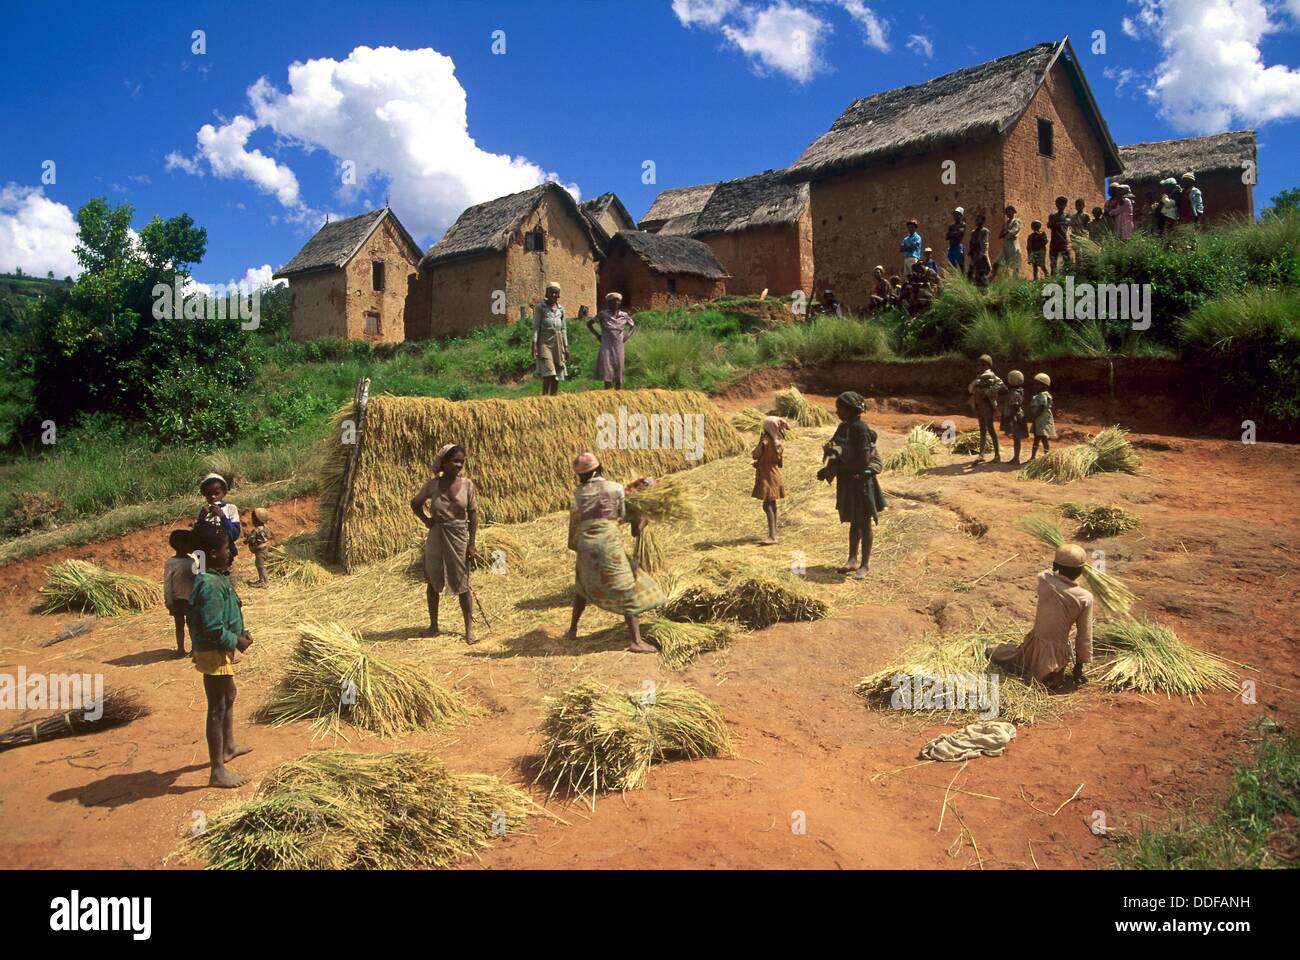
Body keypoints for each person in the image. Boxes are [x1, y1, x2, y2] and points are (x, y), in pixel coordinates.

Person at [564, 452, 665, 652]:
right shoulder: (615, 488)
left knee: (582, 585)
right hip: (607, 544)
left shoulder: (578, 493)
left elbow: (580, 519)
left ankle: (573, 630)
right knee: (626, 585)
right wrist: (644, 515)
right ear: (599, 469)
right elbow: (622, 516)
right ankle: (636, 641)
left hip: (585, 545)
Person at [187, 522, 254, 788]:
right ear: (214, 552)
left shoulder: (215, 577)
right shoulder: (210, 585)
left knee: (230, 694)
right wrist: (236, 640)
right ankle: (217, 770)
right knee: (216, 707)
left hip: (220, 649)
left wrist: (241, 632)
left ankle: (228, 746)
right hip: (214, 651)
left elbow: (228, 614)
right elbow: (213, 628)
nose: (230, 552)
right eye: (227, 548)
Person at [989, 544, 1093, 690]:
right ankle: (1053, 675)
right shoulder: (1085, 597)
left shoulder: (1044, 580)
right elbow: (1084, 636)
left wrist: (1057, 564)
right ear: (1082, 570)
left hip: (1032, 646)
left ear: (1055, 565)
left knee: (997, 652)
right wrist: (1078, 667)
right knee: (1049, 679)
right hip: (1058, 655)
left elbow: (1049, 572)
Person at [411, 444, 479, 644]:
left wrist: (472, 543)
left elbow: (473, 515)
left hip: (458, 536)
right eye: (455, 461)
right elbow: (415, 503)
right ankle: (433, 626)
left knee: (463, 583)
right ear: (444, 462)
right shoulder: (432, 485)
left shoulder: (467, 485)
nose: (458, 465)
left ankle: (469, 629)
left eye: (461, 462)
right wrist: (426, 521)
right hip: (436, 537)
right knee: (433, 581)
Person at [817, 391, 885, 580]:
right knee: (854, 521)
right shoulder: (842, 428)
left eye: (839, 409)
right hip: (847, 479)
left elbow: (863, 461)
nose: (837, 412)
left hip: (859, 481)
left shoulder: (860, 429)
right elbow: (834, 448)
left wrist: (842, 464)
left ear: (849, 410)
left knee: (864, 522)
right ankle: (852, 559)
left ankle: (865, 564)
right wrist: (828, 468)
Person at [588, 292, 635, 390]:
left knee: (619, 370)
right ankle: (607, 395)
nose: (616, 303)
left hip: (619, 347)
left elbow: (632, 326)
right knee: (607, 373)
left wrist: (627, 336)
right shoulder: (603, 314)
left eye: (618, 301)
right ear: (608, 303)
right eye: (613, 301)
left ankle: (618, 395)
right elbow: (589, 324)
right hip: (606, 346)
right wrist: (598, 335)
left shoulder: (624, 315)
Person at [752, 416, 787, 545]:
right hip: (774, 473)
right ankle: (773, 534)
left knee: (767, 505)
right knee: (771, 504)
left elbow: (755, 454)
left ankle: (773, 536)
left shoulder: (765, 441)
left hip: (767, 475)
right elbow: (777, 461)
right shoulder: (779, 442)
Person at [163, 529, 195, 657]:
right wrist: (168, 600)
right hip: (178, 599)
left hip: (190, 599)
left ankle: (194, 648)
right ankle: (181, 649)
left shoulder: (193, 561)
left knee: (191, 625)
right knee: (180, 625)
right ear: (182, 545)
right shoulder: (171, 563)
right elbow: (167, 583)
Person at [968, 355, 1006, 463]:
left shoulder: (992, 377)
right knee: (982, 430)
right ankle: (981, 454)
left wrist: (990, 390)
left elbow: (1002, 387)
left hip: (987, 407)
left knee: (991, 430)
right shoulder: (979, 378)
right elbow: (971, 390)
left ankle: (997, 455)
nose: (980, 367)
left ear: (989, 365)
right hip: (979, 406)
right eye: (979, 365)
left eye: (983, 365)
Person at [532, 281, 568, 397]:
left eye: (556, 293)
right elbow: (536, 327)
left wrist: (566, 347)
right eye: (551, 292)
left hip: (558, 343)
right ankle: (544, 398)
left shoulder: (561, 309)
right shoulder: (540, 308)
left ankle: (553, 397)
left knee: (557, 371)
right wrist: (534, 344)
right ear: (547, 294)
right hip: (545, 343)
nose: (553, 295)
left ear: (559, 295)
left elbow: (563, 329)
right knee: (549, 372)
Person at [196, 473, 241, 565]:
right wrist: (200, 520)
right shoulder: (203, 512)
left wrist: (223, 517)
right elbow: (197, 537)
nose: (213, 496)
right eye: (209, 494)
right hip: (207, 560)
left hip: (227, 558)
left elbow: (234, 534)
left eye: (216, 493)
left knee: (228, 578)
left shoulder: (230, 509)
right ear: (204, 494)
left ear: (224, 493)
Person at [1001, 369, 1029, 464]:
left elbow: (1015, 406)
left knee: (1016, 438)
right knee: (1016, 438)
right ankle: (1015, 458)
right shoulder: (1019, 391)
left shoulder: (1014, 392)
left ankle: (1016, 459)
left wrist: (1009, 419)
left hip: (1015, 418)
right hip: (1017, 416)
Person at [1028, 372, 1055, 460]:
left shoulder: (1043, 395)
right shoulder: (1039, 395)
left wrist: (1035, 416)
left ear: (1043, 385)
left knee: (1043, 438)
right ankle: (1033, 457)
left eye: (1037, 384)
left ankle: (1046, 457)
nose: (1035, 386)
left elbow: (1042, 407)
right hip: (1039, 420)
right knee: (1037, 437)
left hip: (1042, 420)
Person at [243, 508, 270, 587]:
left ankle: (264, 582)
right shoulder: (265, 528)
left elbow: (251, 538)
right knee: (260, 565)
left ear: (257, 520)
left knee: (260, 566)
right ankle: (262, 580)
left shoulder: (257, 530)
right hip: (264, 549)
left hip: (260, 550)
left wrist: (246, 541)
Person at [994, 206, 1022, 281]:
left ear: (1013, 211)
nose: (1007, 213)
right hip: (1005, 245)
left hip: (1013, 245)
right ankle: (996, 279)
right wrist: (1005, 233)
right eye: (1006, 211)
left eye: (1009, 211)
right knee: (998, 262)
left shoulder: (1016, 221)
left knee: (1015, 264)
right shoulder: (1006, 223)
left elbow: (1014, 231)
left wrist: (1006, 233)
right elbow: (1000, 235)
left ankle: (1017, 281)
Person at [1047, 197, 1072, 275]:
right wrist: (1061, 223)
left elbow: (1066, 223)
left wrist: (1055, 224)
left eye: (1062, 204)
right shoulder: (1052, 216)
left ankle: (1068, 281)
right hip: (1054, 241)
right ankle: (1053, 281)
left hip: (1064, 241)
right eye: (1058, 204)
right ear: (1056, 205)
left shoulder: (1068, 215)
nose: (1060, 206)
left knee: (1067, 262)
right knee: (1053, 263)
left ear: (1065, 205)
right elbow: (1050, 225)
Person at [970, 213, 992, 288]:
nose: (976, 221)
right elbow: (971, 243)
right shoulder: (973, 232)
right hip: (975, 255)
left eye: (978, 219)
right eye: (976, 219)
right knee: (976, 273)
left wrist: (982, 253)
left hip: (982, 255)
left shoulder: (985, 231)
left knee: (984, 273)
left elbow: (985, 243)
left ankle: (985, 290)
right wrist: (972, 252)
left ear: (983, 221)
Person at [945, 208, 966, 273]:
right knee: (952, 267)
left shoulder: (963, 224)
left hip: (958, 247)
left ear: (961, 215)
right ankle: (954, 280)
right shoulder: (951, 226)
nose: (955, 216)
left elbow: (959, 234)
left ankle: (964, 280)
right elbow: (947, 236)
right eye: (954, 214)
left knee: (961, 265)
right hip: (951, 248)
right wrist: (954, 233)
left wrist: (952, 233)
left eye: (957, 214)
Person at [1070, 199, 1091, 264]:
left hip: (1084, 238)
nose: (1078, 206)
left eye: (1080, 205)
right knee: (1078, 255)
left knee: (1085, 254)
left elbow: (1088, 228)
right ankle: (1079, 271)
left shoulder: (1086, 216)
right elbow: (1072, 228)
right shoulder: (1073, 217)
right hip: (1076, 238)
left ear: (1083, 205)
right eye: (1077, 205)